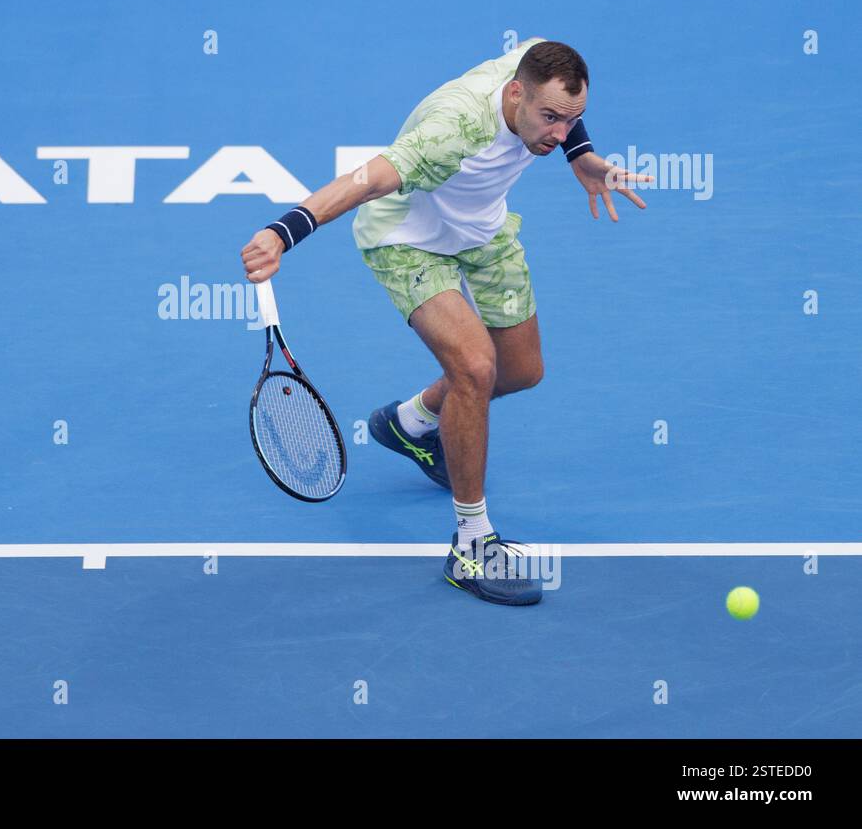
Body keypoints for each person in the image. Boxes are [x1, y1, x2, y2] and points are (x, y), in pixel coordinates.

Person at [239, 38, 649, 606]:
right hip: (408, 240)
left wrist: (582, 156)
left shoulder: (536, 65)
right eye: (549, 119)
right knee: (475, 368)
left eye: (569, 121)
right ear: (514, 95)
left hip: (483, 229)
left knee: (522, 371)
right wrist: (283, 231)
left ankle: (410, 424)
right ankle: (472, 546)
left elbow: (564, 106)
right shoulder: (453, 131)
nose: (557, 134)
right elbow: (366, 181)